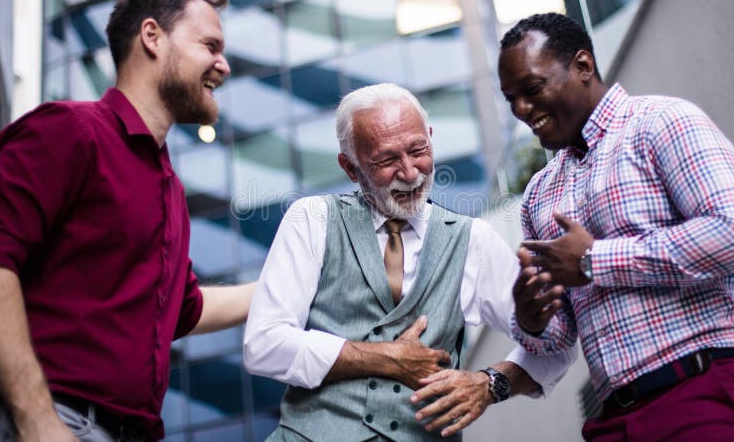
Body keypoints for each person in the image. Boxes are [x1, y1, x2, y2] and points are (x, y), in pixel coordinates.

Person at [0, 0, 255, 442]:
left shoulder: (167, 184)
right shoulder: (69, 130)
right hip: (50, 421)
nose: (223, 65)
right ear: (152, 36)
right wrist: (37, 419)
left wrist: (296, 280)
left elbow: (183, 308)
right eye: (210, 45)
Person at [499, 12, 734, 440]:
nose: (521, 109)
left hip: (703, 391)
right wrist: (532, 318)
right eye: (511, 98)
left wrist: (596, 259)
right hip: (614, 422)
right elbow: (561, 337)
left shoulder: (662, 122)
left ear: (583, 67)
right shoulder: (538, 194)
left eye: (532, 89)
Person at [243, 82, 577, 441]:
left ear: (431, 138)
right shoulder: (312, 219)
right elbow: (263, 344)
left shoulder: (473, 241)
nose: (409, 172)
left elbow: (559, 342)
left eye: (418, 150)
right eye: (387, 160)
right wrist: (384, 357)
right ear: (350, 167)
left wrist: (490, 383)